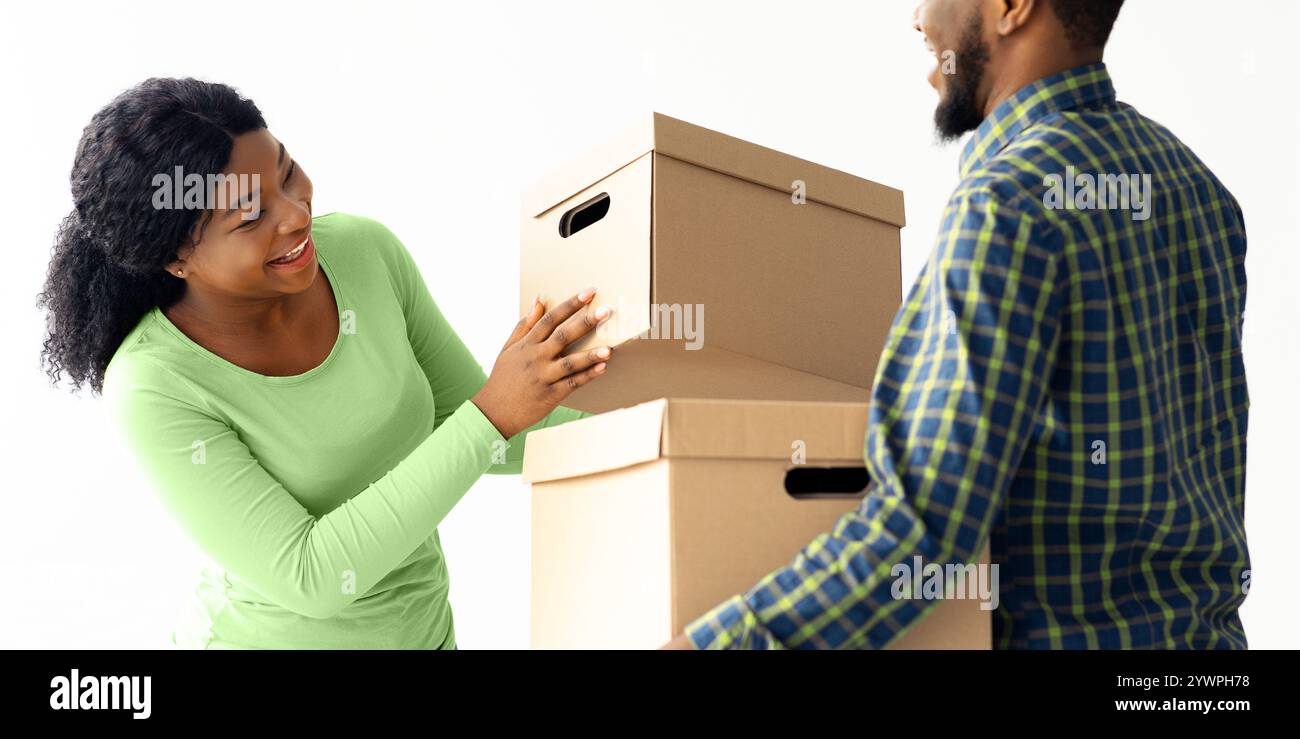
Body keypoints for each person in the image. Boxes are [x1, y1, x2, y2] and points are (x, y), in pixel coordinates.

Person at [665, 0, 1250, 649]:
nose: (918, 17)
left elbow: (923, 526)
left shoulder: (1008, 204)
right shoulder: (1196, 187)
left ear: (1012, 7)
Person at [37, 78, 613, 649]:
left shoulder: (364, 252)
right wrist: (492, 416)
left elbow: (492, 434)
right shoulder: (153, 385)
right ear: (175, 259)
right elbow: (312, 577)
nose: (295, 215)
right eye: (250, 215)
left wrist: (650, 417)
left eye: (287, 173)